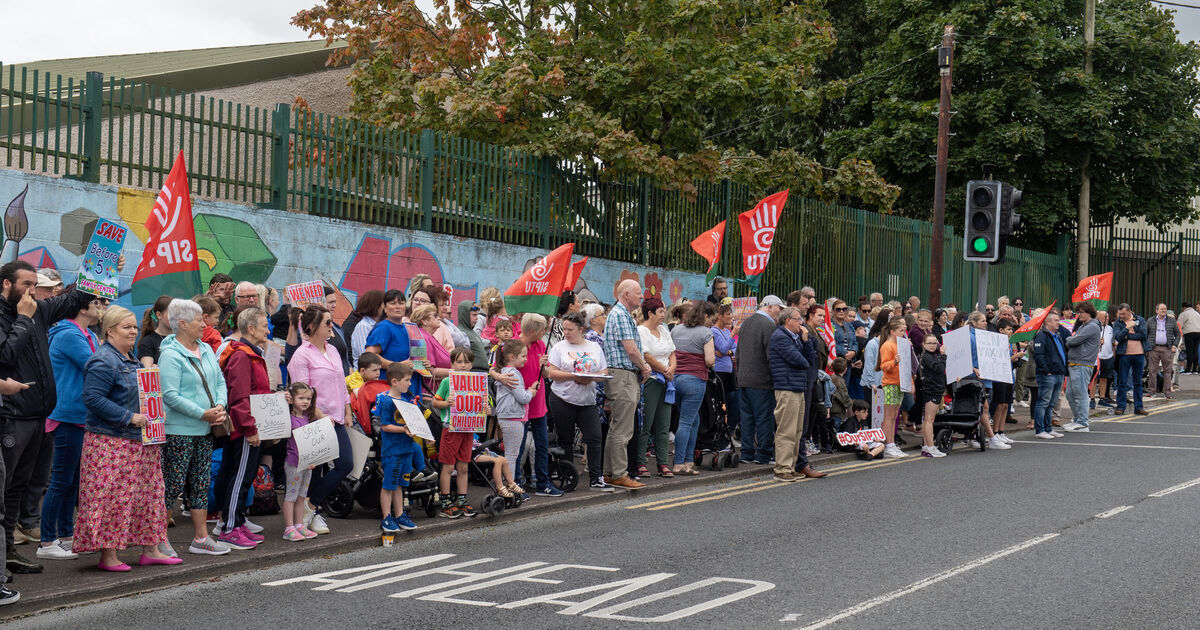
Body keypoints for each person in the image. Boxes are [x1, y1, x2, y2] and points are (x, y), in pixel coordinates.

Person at [1, 261, 96, 576]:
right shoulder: (14, 316)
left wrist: (101, 266)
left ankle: (9, 550)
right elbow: (5, 357)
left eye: (34, 285)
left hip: (39, 414)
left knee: (21, 485)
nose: (32, 291)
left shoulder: (39, 311)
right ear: (6, 285)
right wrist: (24, 320)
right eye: (26, 284)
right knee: (6, 485)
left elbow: (72, 299)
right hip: (12, 416)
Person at [75, 306, 181, 571]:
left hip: (140, 441)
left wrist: (156, 414)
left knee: (149, 496)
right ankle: (108, 556)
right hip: (111, 442)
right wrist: (129, 417)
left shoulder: (131, 359)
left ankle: (151, 549)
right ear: (109, 330)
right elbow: (92, 399)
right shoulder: (103, 360)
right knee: (113, 499)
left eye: (134, 326)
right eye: (126, 327)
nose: (133, 331)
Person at [157, 299, 231, 557]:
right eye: (199, 319)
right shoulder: (170, 354)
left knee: (200, 483)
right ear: (182, 323)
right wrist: (203, 413)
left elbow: (219, 381)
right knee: (172, 484)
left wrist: (220, 406)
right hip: (178, 431)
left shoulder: (206, 349)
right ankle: (159, 539)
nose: (204, 323)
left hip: (204, 429)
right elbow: (170, 395)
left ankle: (201, 537)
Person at [36, 293, 103, 560]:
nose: (100, 307)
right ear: (83, 307)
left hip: (80, 414)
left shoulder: (88, 334)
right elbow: (96, 367)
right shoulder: (69, 334)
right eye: (96, 303)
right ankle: (46, 541)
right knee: (61, 480)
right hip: (66, 413)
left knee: (73, 480)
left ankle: (65, 534)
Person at [288, 306, 355, 535]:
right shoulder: (302, 355)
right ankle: (310, 515)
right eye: (327, 322)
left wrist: (347, 411)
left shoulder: (333, 350)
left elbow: (342, 383)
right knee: (314, 471)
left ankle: (311, 505)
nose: (331, 326)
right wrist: (319, 415)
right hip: (316, 420)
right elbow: (301, 393)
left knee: (345, 463)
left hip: (336, 417)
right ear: (312, 327)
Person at [214, 308, 272, 549]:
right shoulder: (242, 356)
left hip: (246, 425)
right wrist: (250, 428)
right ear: (250, 329)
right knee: (240, 477)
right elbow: (239, 397)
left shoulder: (249, 354)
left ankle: (235, 522)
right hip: (244, 428)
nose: (267, 330)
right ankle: (230, 527)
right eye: (263, 326)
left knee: (236, 474)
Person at [546, 311, 611, 490]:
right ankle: (567, 477)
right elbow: (551, 373)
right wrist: (573, 375)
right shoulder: (559, 347)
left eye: (571, 329)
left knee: (594, 437)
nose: (566, 332)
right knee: (565, 439)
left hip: (587, 401)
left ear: (581, 329)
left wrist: (590, 377)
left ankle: (596, 478)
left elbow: (604, 372)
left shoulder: (594, 347)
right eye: (564, 329)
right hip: (562, 398)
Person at [426, 348, 490, 518]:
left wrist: (486, 410)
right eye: (459, 362)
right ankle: (446, 502)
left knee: (463, 466)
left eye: (467, 362)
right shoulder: (448, 381)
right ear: (452, 363)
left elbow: (481, 405)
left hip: (468, 428)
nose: (463, 365)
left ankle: (462, 500)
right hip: (451, 428)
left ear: (472, 364)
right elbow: (434, 402)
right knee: (448, 466)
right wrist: (446, 402)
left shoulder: (477, 382)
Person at [601, 279, 651, 489]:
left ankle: (610, 472)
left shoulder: (619, 314)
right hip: (623, 375)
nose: (642, 297)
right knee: (623, 428)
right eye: (638, 293)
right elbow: (630, 350)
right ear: (626, 294)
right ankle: (619, 473)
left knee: (617, 427)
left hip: (622, 374)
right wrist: (645, 367)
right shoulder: (621, 315)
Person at [768, 307, 821, 482]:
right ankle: (782, 468)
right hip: (786, 387)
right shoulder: (780, 337)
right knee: (786, 430)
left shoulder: (795, 337)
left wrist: (805, 341)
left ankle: (790, 468)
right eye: (798, 319)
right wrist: (805, 342)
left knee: (797, 431)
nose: (801, 323)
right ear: (787, 320)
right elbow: (801, 361)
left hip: (797, 386)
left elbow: (811, 358)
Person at [372, 363, 423, 531]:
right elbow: (385, 426)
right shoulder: (387, 401)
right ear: (394, 381)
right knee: (389, 484)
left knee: (400, 484)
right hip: (392, 451)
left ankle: (400, 515)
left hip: (406, 449)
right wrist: (404, 429)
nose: (410, 384)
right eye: (407, 380)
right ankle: (386, 517)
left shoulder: (407, 401)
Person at [735, 295, 785, 465]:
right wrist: (775, 379)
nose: (780, 312)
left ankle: (747, 453)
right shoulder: (768, 325)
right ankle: (763, 454)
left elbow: (738, 352)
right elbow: (771, 356)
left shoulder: (746, 323)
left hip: (744, 379)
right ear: (770, 306)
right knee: (764, 419)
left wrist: (739, 374)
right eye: (779, 308)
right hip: (762, 380)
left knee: (747, 418)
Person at [670, 301, 715, 475]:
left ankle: (689, 461)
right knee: (686, 421)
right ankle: (679, 463)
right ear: (704, 316)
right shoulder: (705, 332)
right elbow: (710, 360)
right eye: (711, 318)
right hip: (695, 380)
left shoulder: (676, 329)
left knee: (692, 419)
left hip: (676, 379)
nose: (712, 322)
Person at [493, 339, 539, 497]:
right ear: (512, 357)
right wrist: (531, 392)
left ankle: (509, 485)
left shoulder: (505, 372)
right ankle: (510, 486)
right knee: (512, 456)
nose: (526, 359)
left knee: (510, 455)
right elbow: (523, 397)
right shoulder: (512, 373)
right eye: (523, 356)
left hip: (509, 417)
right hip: (512, 417)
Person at [637, 296, 675, 477]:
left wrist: (671, 369)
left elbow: (672, 353)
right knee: (646, 422)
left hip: (667, 381)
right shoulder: (641, 331)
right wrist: (664, 370)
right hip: (651, 379)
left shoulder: (664, 329)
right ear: (650, 313)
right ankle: (640, 462)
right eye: (660, 311)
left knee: (663, 424)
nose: (663, 314)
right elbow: (646, 356)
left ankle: (663, 464)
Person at [281, 382, 321, 542]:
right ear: (292, 399)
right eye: (301, 398)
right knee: (291, 496)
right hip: (294, 463)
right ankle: (289, 527)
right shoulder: (288, 418)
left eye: (308, 398)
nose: (305, 401)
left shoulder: (306, 418)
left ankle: (298, 525)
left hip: (307, 464)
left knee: (301, 496)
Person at [1061, 302, 1101, 433]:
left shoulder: (1092, 326)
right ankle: (1078, 419)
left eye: (1081, 312)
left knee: (1081, 393)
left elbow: (1074, 341)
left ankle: (1083, 422)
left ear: (1089, 312)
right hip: (1075, 363)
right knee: (1071, 394)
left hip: (1082, 364)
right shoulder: (1084, 326)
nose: (1078, 315)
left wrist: (1070, 339)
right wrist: (1072, 338)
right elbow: (1073, 339)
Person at [1031, 311, 1069, 439]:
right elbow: (1039, 355)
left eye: (1058, 320)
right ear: (1047, 322)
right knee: (1043, 402)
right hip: (1048, 374)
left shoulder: (1057, 335)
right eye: (1056, 320)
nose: (1058, 322)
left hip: (1058, 373)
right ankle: (1040, 429)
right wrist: (1046, 370)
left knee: (1051, 403)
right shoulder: (1042, 336)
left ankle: (1048, 428)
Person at [877, 319, 909, 458]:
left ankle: (891, 444)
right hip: (890, 383)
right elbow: (884, 366)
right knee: (889, 416)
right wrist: (894, 361)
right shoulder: (887, 346)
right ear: (892, 331)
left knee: (895, 416)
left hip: (899, 383)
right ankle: (888, 445)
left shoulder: (899, 345)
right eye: (901, 331)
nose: (904, 334)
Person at [1113, 304, 1149, 416]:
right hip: (1124, 354)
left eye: (1123, 314)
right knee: (1122, 382)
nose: (1121, 316)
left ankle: (1139, 407)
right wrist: (1127, 328)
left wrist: (1127, 336)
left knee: (1138, 382)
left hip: (1139, 354)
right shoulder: (1118, 323)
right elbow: (1118, 337)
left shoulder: (1140, 319)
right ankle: (1120, 407)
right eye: (1120, 314)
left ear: (1129, 311)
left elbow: (1143, 335)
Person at [711, 304, 739, 441]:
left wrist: (728, 351)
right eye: (728, 314)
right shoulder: (715, 331)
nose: (731, 317)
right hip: (720, 372)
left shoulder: (727, 332)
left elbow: (735, 348)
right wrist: (733, 336)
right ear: (719, 316)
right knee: (722, 405)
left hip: (730, 372)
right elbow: (723, 348)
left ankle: (728, 433)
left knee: (734, 404)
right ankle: (720, 435)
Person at [917, 333, 947, 457]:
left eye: (935, 343)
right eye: (929, 343)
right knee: (929, 419)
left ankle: (926, 445)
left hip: (936, 388)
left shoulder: (934, 355)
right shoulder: (927, 357)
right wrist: (943, 356)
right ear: (924, 344)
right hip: (931, 390)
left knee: (928, 419)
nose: (932, 345)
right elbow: (939, 369)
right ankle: (930, 446)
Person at [1146, 303, 1178, 399]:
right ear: (1156, 311)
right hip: (1153, 348)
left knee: (1167, 371)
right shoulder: (1150, 321)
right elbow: (1145, 334)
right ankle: (1152, 391)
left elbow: (1178, 334)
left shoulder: (1172, 321)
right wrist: (1147, 347)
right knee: (1152, 371)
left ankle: (1167, 392)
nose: (1164, 310)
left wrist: (1174, 345)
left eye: (1165, 309)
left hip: (1167, 348)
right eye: (1162, 309)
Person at [346, 289, 385, 365]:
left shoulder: (378, 325)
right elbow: (365, 356)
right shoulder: (363, 326)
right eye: (384, 304)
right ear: (375, 305)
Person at [323, 286, 353, 375]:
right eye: (330, 302)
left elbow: (345, 358)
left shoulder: (337, 328)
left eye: (335, 302)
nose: (334, 305)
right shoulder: (311, 331)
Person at [137, 295, 173, 367]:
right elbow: (148, 373)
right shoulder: (148, 341)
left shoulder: (182, 337)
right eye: (171, 313)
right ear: (159, 315)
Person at [457, 301, 489, 371]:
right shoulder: (461, 333)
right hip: (474, 372)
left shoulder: (472, 332)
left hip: (484, 371)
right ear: (465, 315)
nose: (477, 318)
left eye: (477, 315)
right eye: (474, 315)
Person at [1096, 309, 1117, 407]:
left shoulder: (1110, 329)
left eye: (1108, 317)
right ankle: (1092, 398)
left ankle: (1102, 398)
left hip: (1108, 357)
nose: (1107, 318)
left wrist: (1114, 355)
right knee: (1095, 378)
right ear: (1098, 317)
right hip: (1098, 357)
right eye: (1104, 317)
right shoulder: (1095, 328)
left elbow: (1113, 344)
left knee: (1104, 378)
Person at [1179, 302, 1200, 374]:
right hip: (1198, 333)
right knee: (1195, 350)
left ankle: (1188, 369)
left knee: (1189, 351)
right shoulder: (1197, 313)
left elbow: (1179, 325)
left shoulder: (1184, 314)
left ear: (1184, 307)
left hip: (1189, 333)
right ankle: (1195, 369)